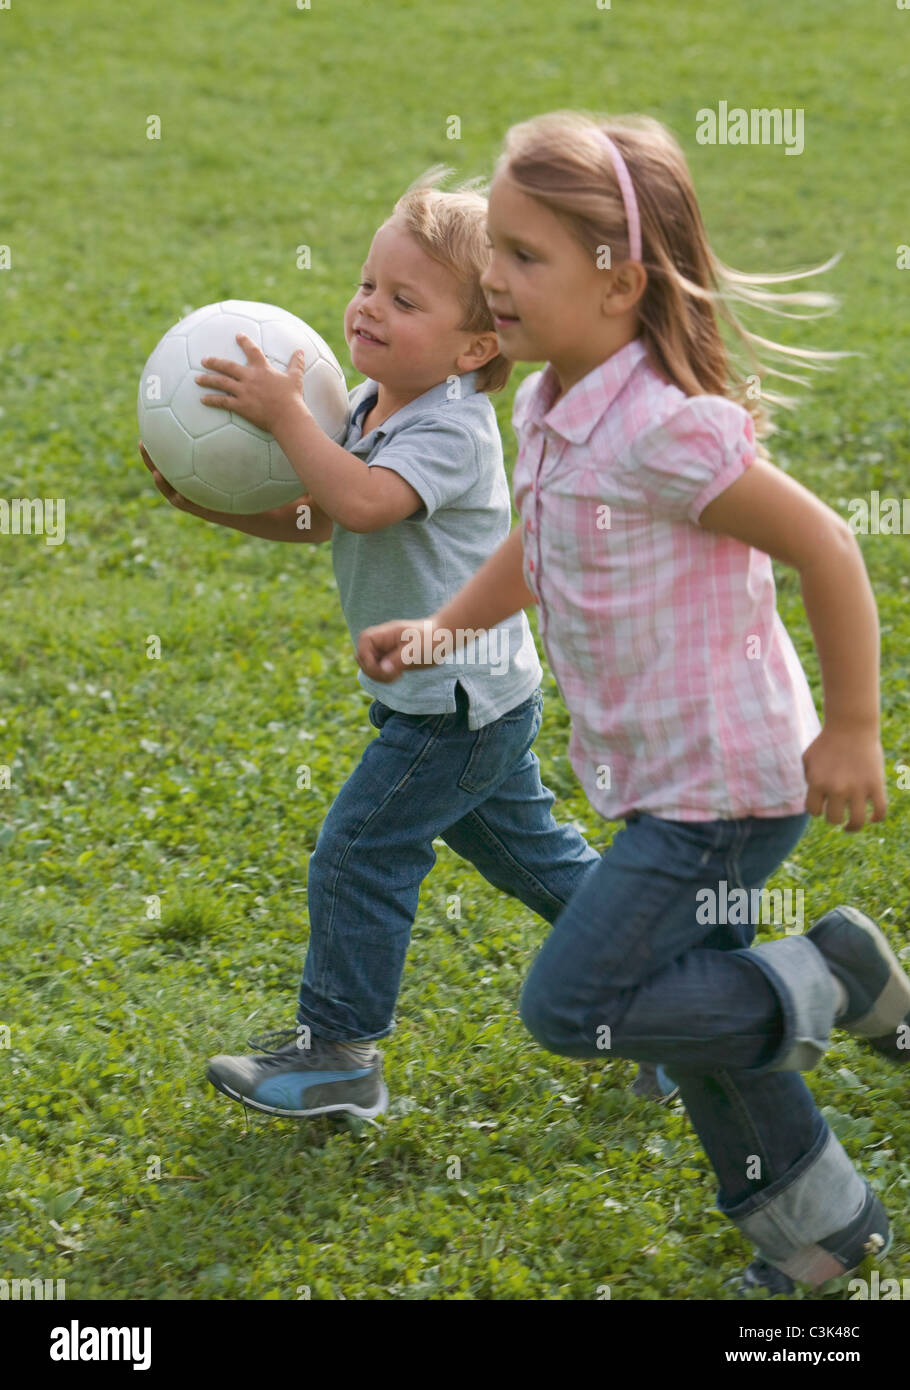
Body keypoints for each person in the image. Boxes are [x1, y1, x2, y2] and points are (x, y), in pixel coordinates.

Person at [355, 112, 910, 1296]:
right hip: (669, 779)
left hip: (723, 789)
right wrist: (444, 626)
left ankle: (834, 979)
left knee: (579, 1003)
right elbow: (540, 540)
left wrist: (853, 728)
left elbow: (826, 545)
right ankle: (824, 1227)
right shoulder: (554, 402)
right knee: (690, 1015)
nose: (492, 278)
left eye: (525, 257)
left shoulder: (664, 430)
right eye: (493, 249)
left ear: (623, 284)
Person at [141, 170, 667, 1124]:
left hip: (456, 707)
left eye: (404, 299)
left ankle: (340, 1052)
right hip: (465, 701)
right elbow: (321, 518)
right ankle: (676, 992)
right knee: (538, 865)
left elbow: (365, 501)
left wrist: (283, 414)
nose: (366, 308)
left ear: (478, 345)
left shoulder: (454, 428)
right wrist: (214, 505)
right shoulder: (370, 406)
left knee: (358, 850)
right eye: (366, 283)